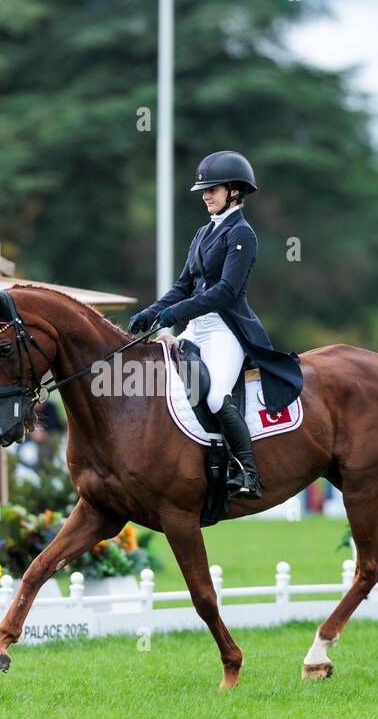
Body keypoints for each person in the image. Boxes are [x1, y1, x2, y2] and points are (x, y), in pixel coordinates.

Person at [128, 150, 303, 499]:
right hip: (196, 328)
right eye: (205, 190)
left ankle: (248, 473)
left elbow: (226, 291)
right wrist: (151, 312)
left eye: (214, 189)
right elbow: (183, 286)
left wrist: (175, 315)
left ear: (235, 191)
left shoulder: (243, 234)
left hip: (227, 329)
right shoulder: (202, 233)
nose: (206, 195)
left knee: (215, 394)